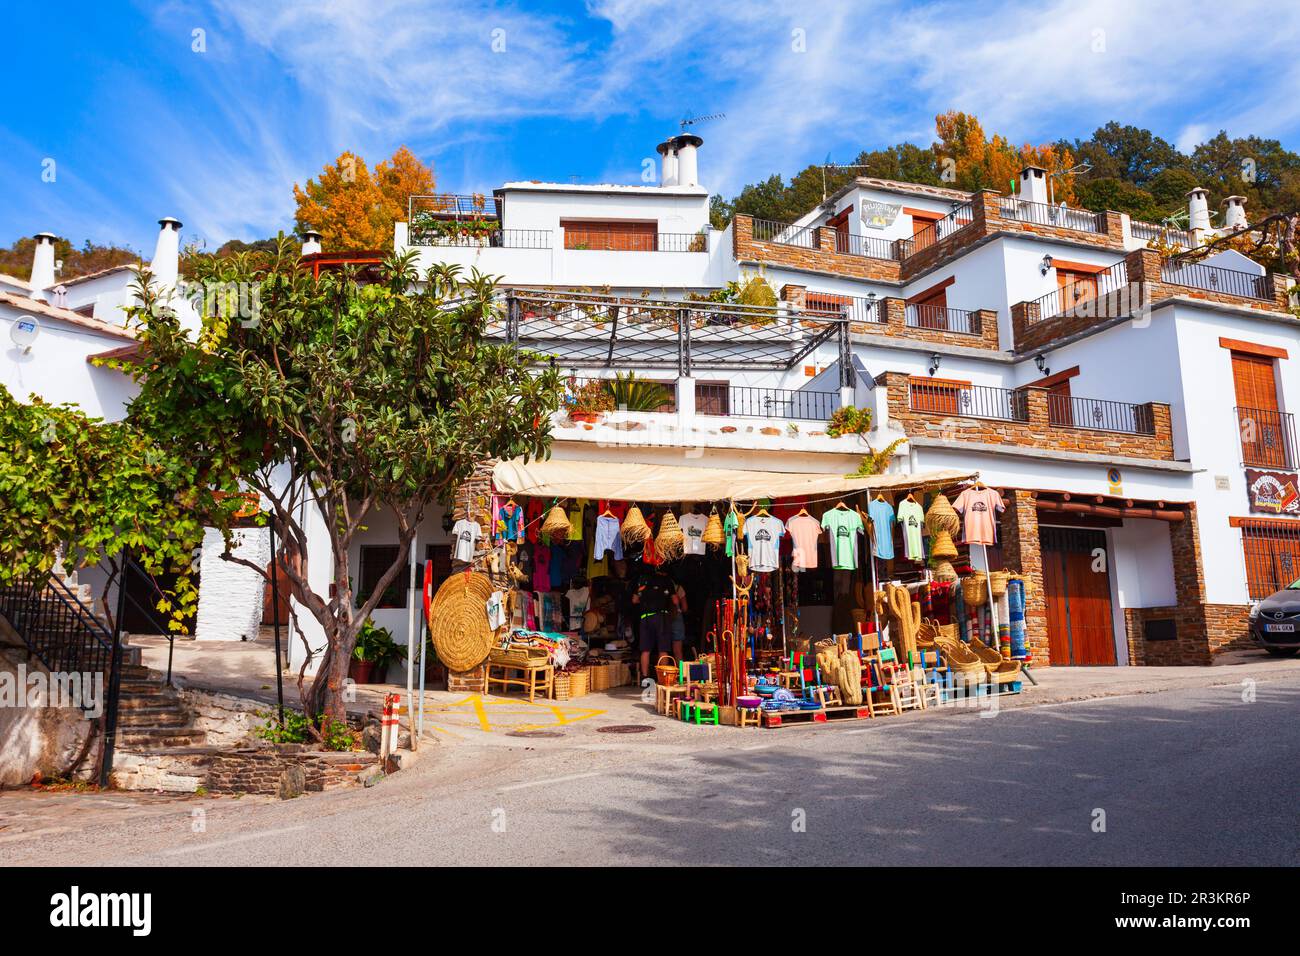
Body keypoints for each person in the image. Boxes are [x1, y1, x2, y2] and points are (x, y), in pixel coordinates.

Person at [633, 566, 677, 681]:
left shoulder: (642, 580)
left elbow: (634, 600)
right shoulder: (667, 580)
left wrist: (645, 599)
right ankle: (663, 678)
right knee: (663, 649)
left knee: (645, 650)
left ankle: (644, 677)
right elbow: (675, 600)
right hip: (662, 617)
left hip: (646, 617)